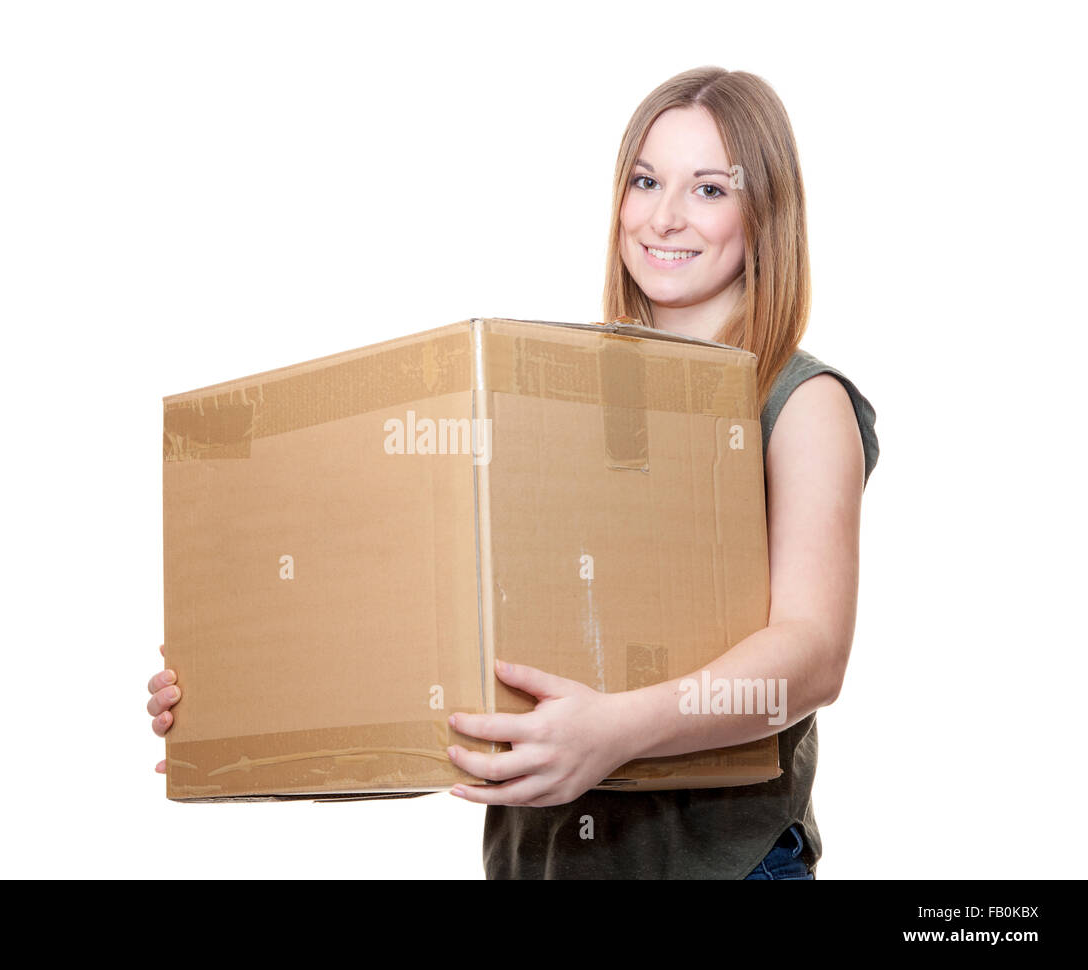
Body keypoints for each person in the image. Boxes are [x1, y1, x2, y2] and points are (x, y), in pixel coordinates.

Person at [147, 66, 879, 880]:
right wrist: (237, 702)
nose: (664, 216)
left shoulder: (799, 399)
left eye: (708, 189)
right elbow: (445, 656)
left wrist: (615, 730)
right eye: (645, 181)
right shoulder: (555, 394)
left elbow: (813, 655)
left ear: (764, 209)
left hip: (725, 867)